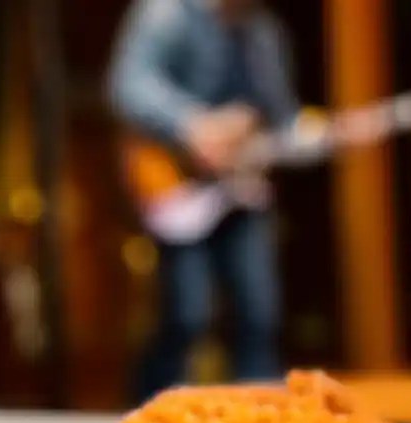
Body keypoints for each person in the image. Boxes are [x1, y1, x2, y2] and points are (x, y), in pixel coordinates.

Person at [110, 0, 299, 401]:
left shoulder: (264, 33)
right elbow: (129, 85)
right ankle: (153, 420)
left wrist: (302, 132)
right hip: (181, 190)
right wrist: (193, 126)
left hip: (242, 188)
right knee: (187, 313)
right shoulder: (168, 13)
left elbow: (281, 116)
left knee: (258, 311)